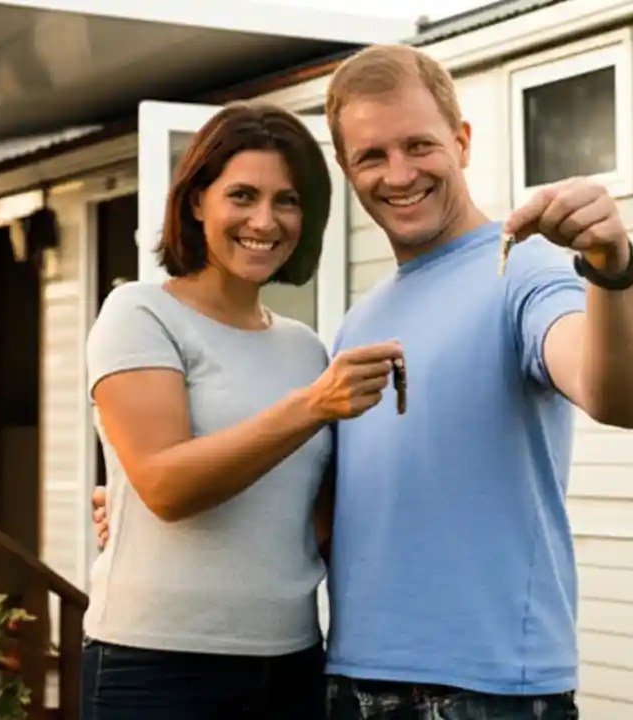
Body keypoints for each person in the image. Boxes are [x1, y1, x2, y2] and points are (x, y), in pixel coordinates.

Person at [94, 44, 633, 719]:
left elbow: (617, 396)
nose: (399, 174)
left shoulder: (524, 270)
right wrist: (133, 507)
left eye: (418, 145)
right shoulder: (358, 324)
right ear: (347, 169)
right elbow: (334, 506)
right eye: (371, 156)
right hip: (346, 679)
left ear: (462, 141)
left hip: (484, 689)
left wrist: (613, 267)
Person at [80, 100, 403, 719]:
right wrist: (312, 406)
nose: (265, 219)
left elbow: (315, 517)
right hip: (155, 665)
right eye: (243, 195)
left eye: (288, 200)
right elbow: (165, 487)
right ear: (197, 200)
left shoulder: (305, 348)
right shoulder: (141, 313)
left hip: (291, 663)